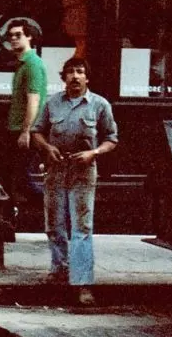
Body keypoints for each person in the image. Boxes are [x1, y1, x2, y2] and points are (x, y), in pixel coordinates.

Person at [31, 57, 118, 306]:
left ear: (87, 78)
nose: (75, 76)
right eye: (70, 72)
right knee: (54, 224)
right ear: (64, 77)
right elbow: (37, 131)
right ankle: (59, 270)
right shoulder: (52, 103)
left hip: (83, 172)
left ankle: (82, 283)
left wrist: (94, 153)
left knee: (82, 227)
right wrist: (47, 148)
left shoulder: (99, 105)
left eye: (80, 71)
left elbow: (111, 138)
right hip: (56, 170)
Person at [0, 17, 47, 225]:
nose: (13, 39)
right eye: (11, 36)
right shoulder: (22, 64)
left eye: (18, 35)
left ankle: (56, 211)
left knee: (21, 180)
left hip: (23, 130)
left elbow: (34, 99)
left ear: (29, 37)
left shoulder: (33, 64)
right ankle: (7, 224)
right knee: (7, 178)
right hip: (14, 128)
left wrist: (26, 131)